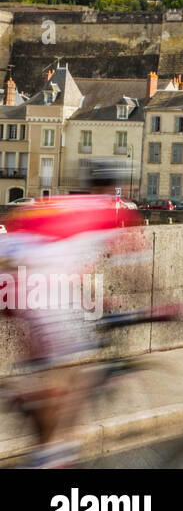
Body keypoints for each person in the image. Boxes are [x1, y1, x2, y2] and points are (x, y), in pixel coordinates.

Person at [0, 159, 148, 466]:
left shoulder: (62, 201)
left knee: (44, 367)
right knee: (75, 368)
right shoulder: (116, 211)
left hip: (10, 276)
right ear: (115, 188)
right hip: (41, 289)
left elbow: (63, 258)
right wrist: (162, 305)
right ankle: (51, 452)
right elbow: (136, 273)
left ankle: (31, 408)